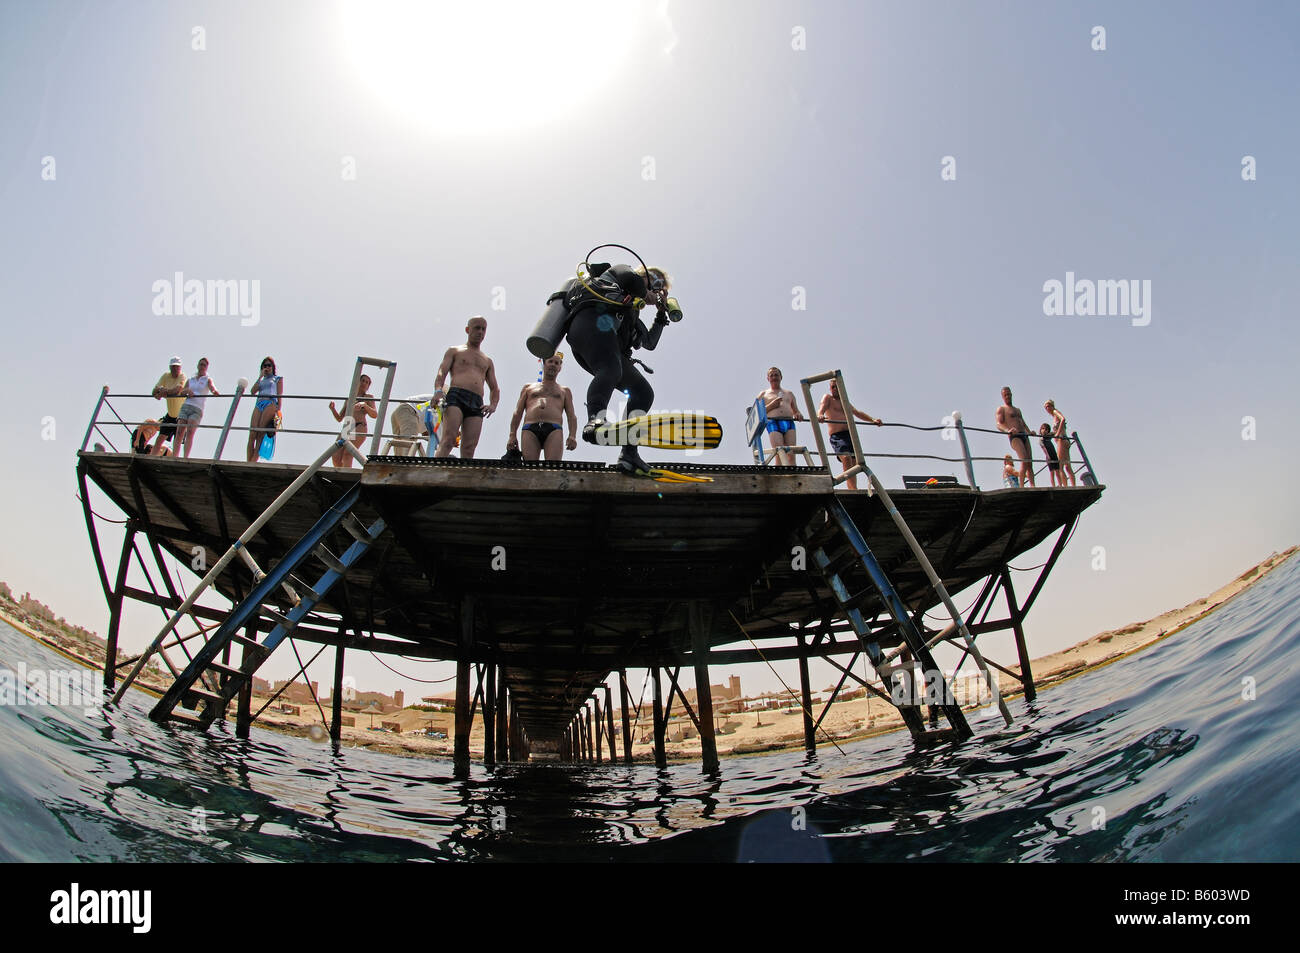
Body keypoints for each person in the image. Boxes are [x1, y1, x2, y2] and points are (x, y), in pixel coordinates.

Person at [564, 263, 674, 475]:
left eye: (660, 285)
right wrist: (646, 292)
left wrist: (661, 315)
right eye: (653, 278)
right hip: (588, 324)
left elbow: (649, 342)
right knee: (611, 368)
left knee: (643, 393)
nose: (655, 284)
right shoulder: (622, 273)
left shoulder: (633, 312)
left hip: (608, 349)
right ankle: (595, 420)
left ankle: (629, 453)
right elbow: (631, 279)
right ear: (642, 274)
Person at [433, 316, 500, 459]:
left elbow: (494, 388)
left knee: (469, 447)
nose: (480, 332)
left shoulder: (487, 361)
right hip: (457, 395)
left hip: (477, 401)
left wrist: (493, 405)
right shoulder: (455, 351)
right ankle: (434, 470)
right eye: (477, 328)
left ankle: (463, 479)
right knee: (449, 439)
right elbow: (442, 372)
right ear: (467, 330)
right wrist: (438, 390)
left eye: (483, 329)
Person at [507, 353, 578, 461]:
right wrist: (512, 435)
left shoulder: (564, 391)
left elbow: (571, 416)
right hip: (530, 428)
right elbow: (517, 413)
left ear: (560, 368)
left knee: (553, 467)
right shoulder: (528, 388)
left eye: (557, 363)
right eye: (550, 361)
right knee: (530, 467)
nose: (553, 365)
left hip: (554, 428)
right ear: (544, 364)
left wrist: (572, 436)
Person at [817, 377, 882, 489]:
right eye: (833, 387)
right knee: (846, 458)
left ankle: (853, 488)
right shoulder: (828, 398)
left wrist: (873, 420)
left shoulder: (844, 400)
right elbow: (821, 408)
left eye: (837, 386)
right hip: (837, 436)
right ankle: (852, 489)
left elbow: (857, 413)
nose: (835, 389)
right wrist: (820, 415)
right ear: (830, 388)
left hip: (849, 435)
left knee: (854, 462)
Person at [757, 367, 805, 466]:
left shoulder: (789, 393)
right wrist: (771, 405)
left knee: (791, 453)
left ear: (781, 377)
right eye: (771, 375)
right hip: (773, 422)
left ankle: (794, 477)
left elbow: (796, 411)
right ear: (768, 378)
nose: (774, 377)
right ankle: (779, 476)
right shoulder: (763, 394)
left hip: (788, 422)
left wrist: (798, 414)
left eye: (776, 375)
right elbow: (756, 413)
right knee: (780, 452)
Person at [329, 373, 377, 468]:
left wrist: (365, 406)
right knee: (335, 455)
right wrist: (333, 409)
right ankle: (340, 474)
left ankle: (346, 475)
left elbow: (374, 414)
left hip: (360, 426)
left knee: (348, 454)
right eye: (362, 381)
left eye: (367, 382)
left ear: (368, 386)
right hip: (347, 426)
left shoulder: (368, 397)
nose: (364, 383)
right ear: (358, 382)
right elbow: (339, 418)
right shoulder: (350, 398)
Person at [175, 357, 219, 459]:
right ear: (198, 366)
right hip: (186, 406)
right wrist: (187, 391)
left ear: (207, 367)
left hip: (197, 408)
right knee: (179, 431)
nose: (202, 366)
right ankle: (175, 456)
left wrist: (215, 392)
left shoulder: (207, 379)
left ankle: (185, 457)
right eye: (201, 364)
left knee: (190, 432)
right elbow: (182, 391)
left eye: (204, 365)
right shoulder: (191, 379)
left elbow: (212, 388)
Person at [995, 386, 1035, 488]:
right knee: (1024, 460)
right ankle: (1021, 486)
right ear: (1002, 397)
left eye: (1009, 394)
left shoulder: (1017, 410)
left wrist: (1030, 432)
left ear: (1011, 394)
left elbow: (1023, 423)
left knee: (1030, 463)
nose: (1007, 396)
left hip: (1024, 435)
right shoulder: (1001, 409)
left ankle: (1032, 485)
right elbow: (998, 424)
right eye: (1005, 395)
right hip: (1015, 437)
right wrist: (1007, 430)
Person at [247, 356, 283, 462]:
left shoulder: (277, 379)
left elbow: (280, 395)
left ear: (272, 367)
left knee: (260, 434)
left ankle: (253, 461)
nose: (267, 367)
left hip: (270, 403)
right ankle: (248, 461)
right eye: (264, 366)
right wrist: (260, 376)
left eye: (269, 365)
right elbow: (252, 391)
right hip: (259, 403)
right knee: (252, 433)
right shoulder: (261, 380)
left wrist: (278, 411)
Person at [151, 356, 188, 455]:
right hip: (171, 414)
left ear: (180, 368)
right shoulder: (165, 376)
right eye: (173, 367)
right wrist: (160, 392)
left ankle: (174, 460)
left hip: (181, 415)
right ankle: (152, 458)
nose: (175, 369)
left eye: (177, 367)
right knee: (160, 438)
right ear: (170, 367)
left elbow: (177, 390)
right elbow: (154, 392)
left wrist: (163, 392)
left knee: (178, 440)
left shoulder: (182, 376)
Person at [1043, 399, 1076, 487]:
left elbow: (1063, 419)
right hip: (1063, 440)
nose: (1047, 408)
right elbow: (1057, 428)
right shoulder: (1053, 417)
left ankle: (1065, 486)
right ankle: (1073, 485)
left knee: (1060, 466)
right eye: (1046, 407)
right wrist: (1052, 434)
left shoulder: (1055, 412)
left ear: (1052, 406)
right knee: (1067, 466)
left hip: (1062, 440)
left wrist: (1057, 433)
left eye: (1048, 406)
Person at [1038, 423, 1062, 487]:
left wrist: (1056, 426)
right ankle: (1053, 486)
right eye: (1043, 429)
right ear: (1040, 430)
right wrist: (1048, 456)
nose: (1044, 430)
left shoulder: (1049, 436)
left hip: (1054, 455)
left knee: (1057, 471)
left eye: (1046, 429)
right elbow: (1044, 449)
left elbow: (1055, 432)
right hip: (1049, 456)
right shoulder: (1041, 439)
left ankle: (1060, 485)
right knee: (1052, 472)